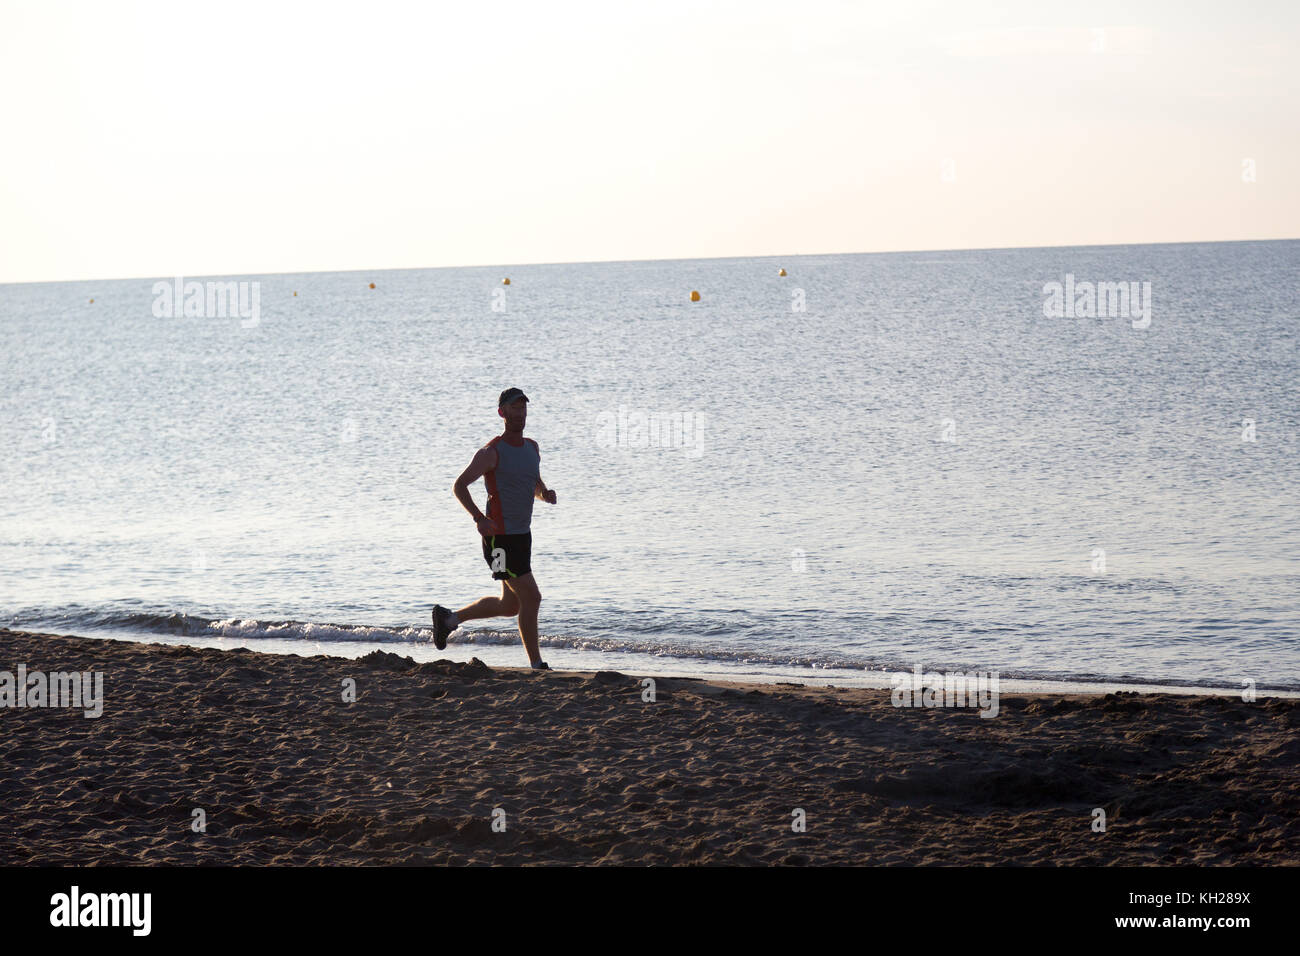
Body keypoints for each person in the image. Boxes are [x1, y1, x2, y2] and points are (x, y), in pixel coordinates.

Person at [432, 387, 557, 669]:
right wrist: (478, 518)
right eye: (514, 407)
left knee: (510, 605)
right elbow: (459, 486)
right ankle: (536, 664)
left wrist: (544, 494)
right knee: (532, 597)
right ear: (502, 412)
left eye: (523, 407)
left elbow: (532, 484)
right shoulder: (491, 452)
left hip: (522, 537)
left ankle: (448, 619)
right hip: (498, 539)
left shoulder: (532, 448)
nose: (519, 412)